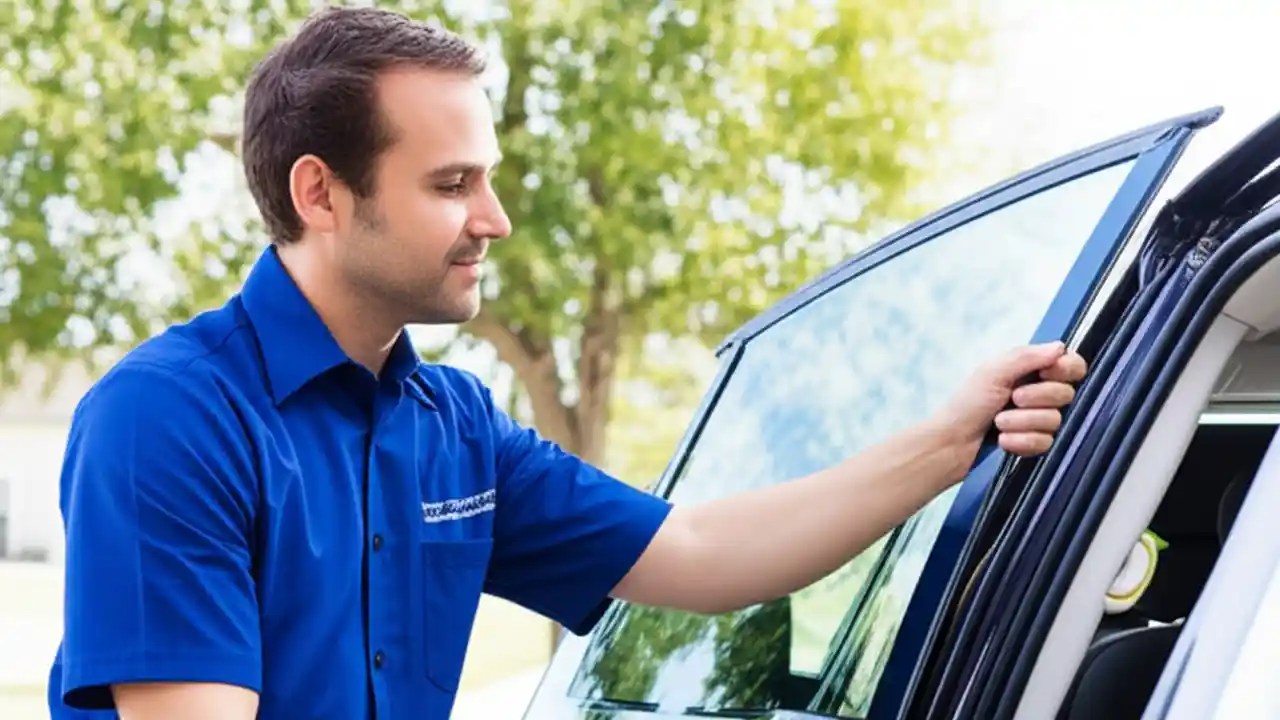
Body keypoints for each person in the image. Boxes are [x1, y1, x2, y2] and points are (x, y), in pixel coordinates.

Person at [47, 7, 1088, 720]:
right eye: (452, 184)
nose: (493, 221)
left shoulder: (453, 424)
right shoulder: (167, 419)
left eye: (487, 179)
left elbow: (699, 552)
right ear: (320, 194)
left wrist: (951, 441)